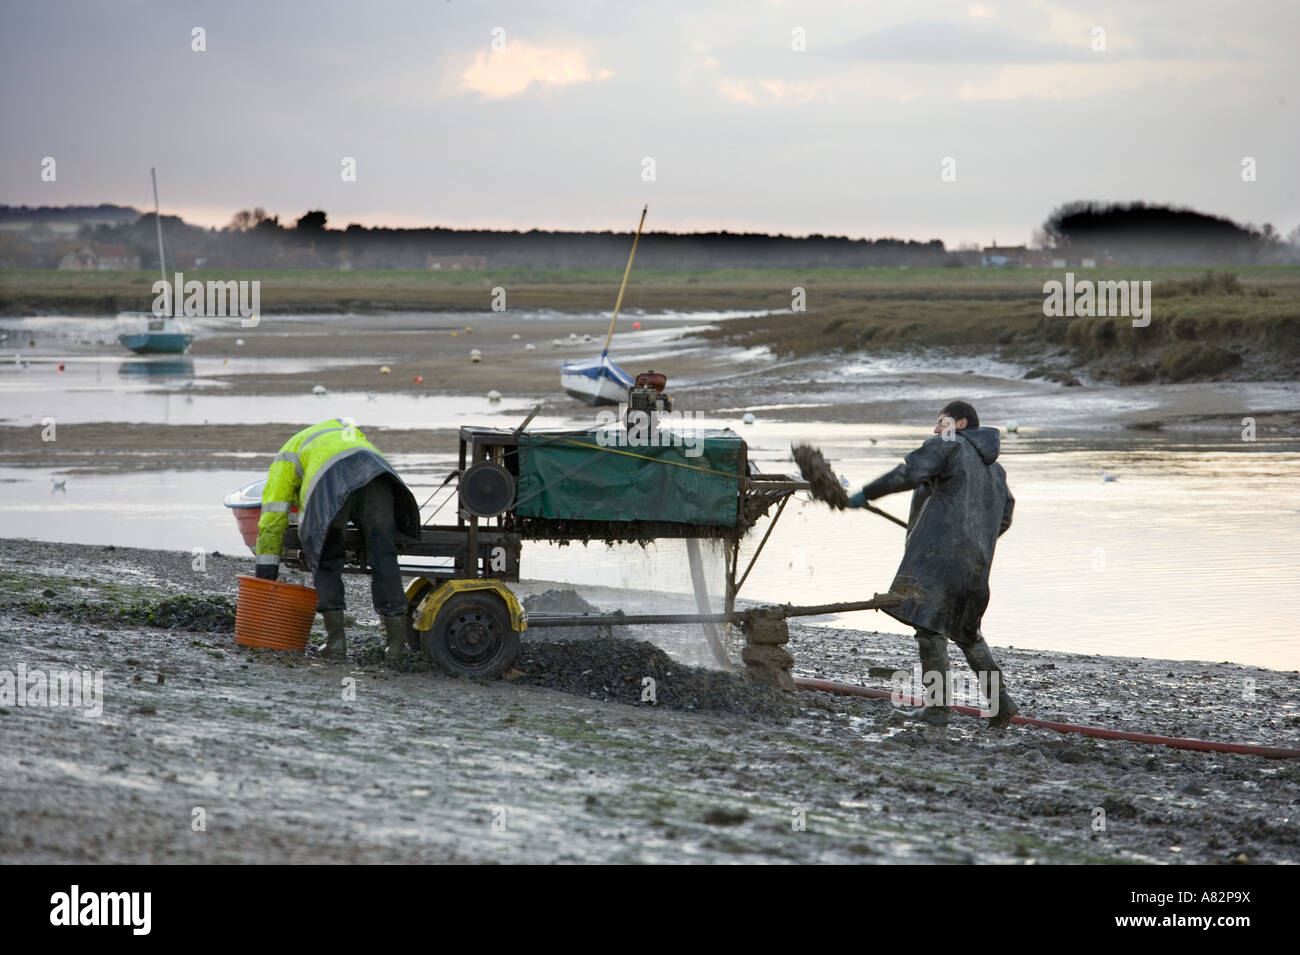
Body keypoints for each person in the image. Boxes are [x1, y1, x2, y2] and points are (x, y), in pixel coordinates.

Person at [849, 400, 1018, 728]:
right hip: (977, 565)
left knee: (930, 630)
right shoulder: (996, 470)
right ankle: (1001, 705)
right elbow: (1005, 515)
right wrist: (975, 536)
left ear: (960, 423)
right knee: (968, 634)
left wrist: (868, 493)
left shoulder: (949, 444)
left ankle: (938, 710)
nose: (936, 430)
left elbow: (910, 472)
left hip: (942, 559)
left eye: (942, 422)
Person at [254, 418, 421, 664]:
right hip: (375, 471)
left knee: (326, 555)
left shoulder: (287, 454)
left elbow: (272, 517)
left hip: (329, 480)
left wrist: (265, 576)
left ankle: (336, 643)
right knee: (384, 554)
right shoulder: (345, 432)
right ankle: (396, 647)